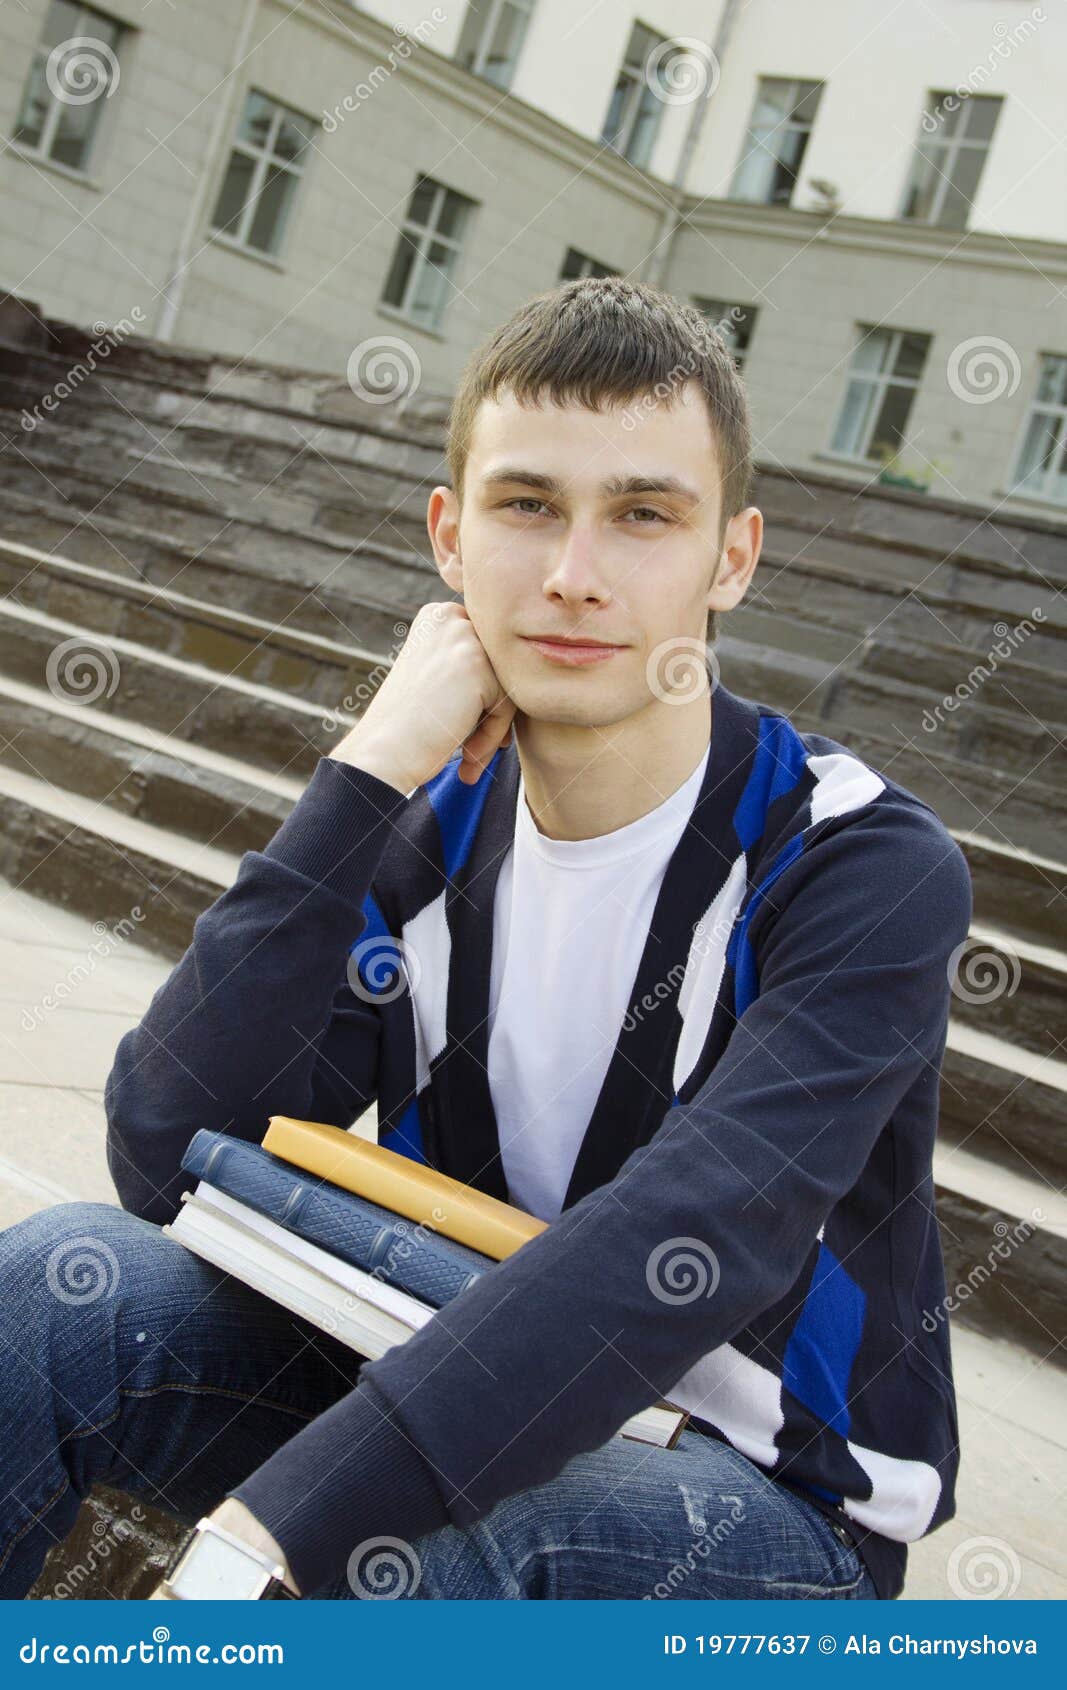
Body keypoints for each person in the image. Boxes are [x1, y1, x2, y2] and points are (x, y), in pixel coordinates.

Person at [0, 277, 971, 1601]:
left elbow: (685, 1246)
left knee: (448, 1548)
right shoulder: (428, 821)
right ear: (450, 537)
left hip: (755, 1492)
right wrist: (365, 767)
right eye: (528, 506)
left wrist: (268, 1529)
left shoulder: (857, 865)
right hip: (424, 1364)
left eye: (642, 515)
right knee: (56, 1293)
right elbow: (165, 1145)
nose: (574, 576)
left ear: (731, 557)